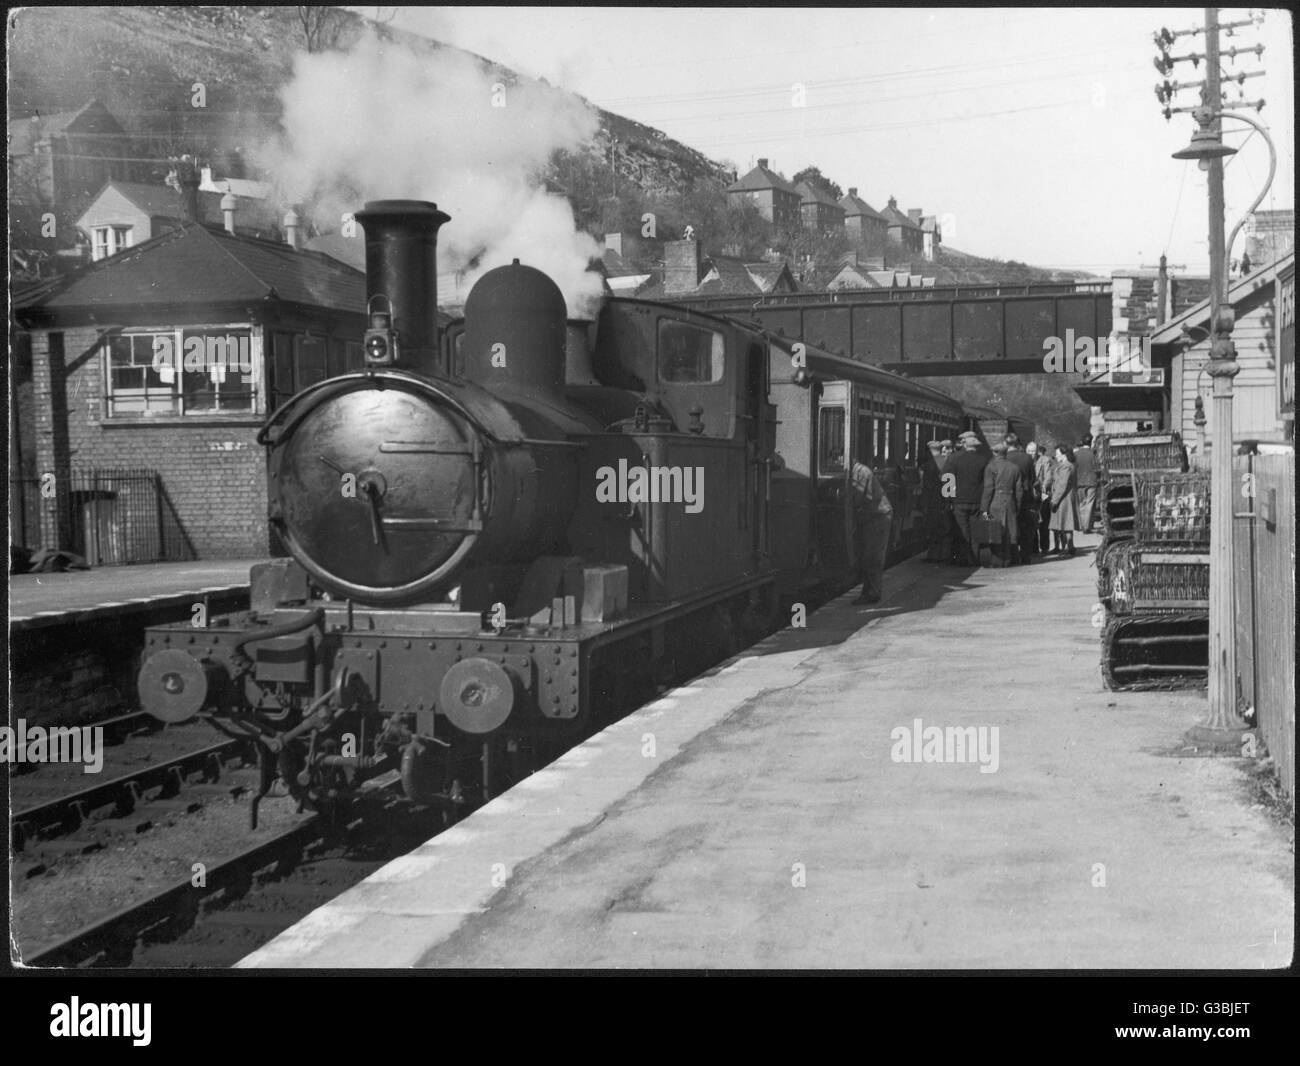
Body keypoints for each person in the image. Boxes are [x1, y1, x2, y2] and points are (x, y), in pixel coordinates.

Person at [849, 458, 893, 604]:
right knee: (869, 556)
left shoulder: (861, 472)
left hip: (878, 516)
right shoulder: (859, 470)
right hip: (874, 516)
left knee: (873, 556)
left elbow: (858, 497)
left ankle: (873, 594)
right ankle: (869, 592)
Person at [947, 433, 989, 565]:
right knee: (975, 530)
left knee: (962, 530)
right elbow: (987, 483)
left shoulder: (954, 458)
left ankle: (964, 558)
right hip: (977, 501)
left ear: (964, 444)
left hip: (958, 501)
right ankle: (975, 558)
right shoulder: (983, 460)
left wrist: (948, 499)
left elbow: (946, 478)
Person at [980, 441, 1022, 567]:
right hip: (1010, 501)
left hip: (995, 501)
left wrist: (984, 508)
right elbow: (1019, 491)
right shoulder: (1015, 468)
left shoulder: (991, 467)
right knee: (1009, 531)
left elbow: (988, 489)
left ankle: (996, 560)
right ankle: (1008, 559)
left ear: (994, 453)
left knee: (995, 531)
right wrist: (1017, 506)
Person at [1005, 434, 1038, 562]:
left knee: (1012, 527)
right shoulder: (1027, 458)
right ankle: (1025, 555)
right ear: (1018, 443)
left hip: (1009, 497)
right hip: (1025, 496)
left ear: (1006, 444)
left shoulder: (1005, 458)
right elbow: (1033, 479)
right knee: (1026, 528)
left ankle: (1013, 555)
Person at [1048, 444, 1080, 555]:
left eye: (1057, 454)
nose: (1056, 456)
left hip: (1063, 498)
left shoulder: (1065, 466)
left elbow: (1062, 485)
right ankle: (1068, 547)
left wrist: (1054, 500)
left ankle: (1067, 547)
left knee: (1064, 522)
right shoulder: (1070, 465)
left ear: (1064, 455)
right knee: (1065, 522)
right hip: (1066, 497)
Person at [1074, 434, 1098, 533]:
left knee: (1082, 504)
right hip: (1092, 482)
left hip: (1079, 482)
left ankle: (1082, 525)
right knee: (1089, 504)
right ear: (1091, 442)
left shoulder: (1076, 454)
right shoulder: (1094, 453)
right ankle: (1087, 526)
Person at [1034, 443, 1055, 553]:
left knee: (1044, 522)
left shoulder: (1045, 460)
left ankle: (1044, 547)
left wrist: (1043, 487)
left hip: (1042, 494)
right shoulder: (1028, 460)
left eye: (1033, 451)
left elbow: (1048, 477)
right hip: (1032, 494)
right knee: (1032, 522)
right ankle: (1034, 548)